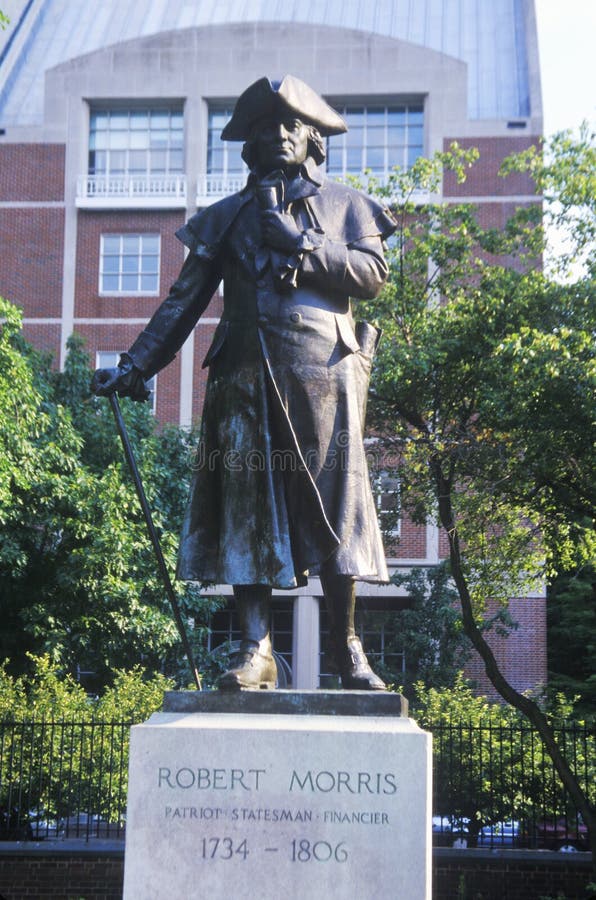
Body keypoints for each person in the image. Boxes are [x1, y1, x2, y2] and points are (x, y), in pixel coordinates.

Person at [92, 75, 396, 692]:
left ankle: (344, 647)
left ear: (314, 140)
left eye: (291, 126)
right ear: (248, 145)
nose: (278, 135)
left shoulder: (346, 205)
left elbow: (371, 274)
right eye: (264, 128)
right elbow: (182, 303)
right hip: (243, 372)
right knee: (246, 507)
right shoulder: (226, 218)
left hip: (325, 374)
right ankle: (255, 648)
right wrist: (135, 366)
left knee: (335, 504)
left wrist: (303, 243)